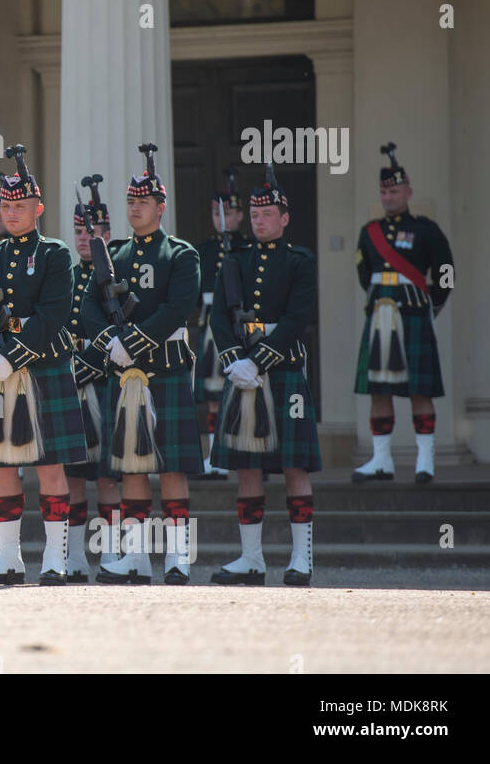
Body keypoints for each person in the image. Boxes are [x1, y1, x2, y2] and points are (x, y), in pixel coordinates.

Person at [0, 169, 90, 585]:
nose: (11, 214)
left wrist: (12, 355)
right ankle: (8, 558)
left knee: (50, 465)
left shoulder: (55, 253)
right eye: (6, 207)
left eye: (20, 207)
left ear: (38, 208)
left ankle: (56, 557)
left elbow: (54, 313)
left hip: (43, 365)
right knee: (1, 466)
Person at [82, 146, 202, 585]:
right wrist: (109, 339)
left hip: (165, 371)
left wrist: (134, 339)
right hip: (123, 371)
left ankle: (178, 557)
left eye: (143, 202)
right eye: (130, 202)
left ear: (160, 206)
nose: (135, 208)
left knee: (170, 470)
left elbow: (178, 307)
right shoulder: (114, 253)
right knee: (132, 468)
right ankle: (135, 557)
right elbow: (90, 306)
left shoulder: (181, 255)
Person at [208, 174, 321, 586]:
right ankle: (252, 559)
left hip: (282, 370)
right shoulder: (235, 260)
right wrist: (234, 360)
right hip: (243, 373)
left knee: (295, 465)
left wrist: (258, 361)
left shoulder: (300, 262)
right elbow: (219, 317)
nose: (258, 221)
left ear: (284, 217)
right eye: (254, 214)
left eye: (267, 214)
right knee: (247, 467)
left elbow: (297, 318)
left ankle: (301, 558)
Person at [351, 144, 454, 484]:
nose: (388, 197)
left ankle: (426, 460)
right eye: (384, 191)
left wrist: (430, 308)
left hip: (413, 315)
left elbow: (445, 274)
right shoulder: (369, 233)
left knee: (419, 390)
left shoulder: (427, 230)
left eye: (394, 191)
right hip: (381, 317)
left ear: (408, 192)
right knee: (379, 390)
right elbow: (365, 274)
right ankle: (382, 461)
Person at [65, 193, 123, 583]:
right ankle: (72, 556)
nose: (84, 238)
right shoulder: (65, 273)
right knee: (71, 474)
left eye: (92, 230)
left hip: (106, 381)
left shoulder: (116, 273)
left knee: (107, 474)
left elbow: (123, 330)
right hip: (69, 380)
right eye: (78, 231)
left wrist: (93, 364)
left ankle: (111, 554)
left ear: (107, 231)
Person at [193, 171, 246, 480]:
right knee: (213, 398)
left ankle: (244, 454)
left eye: (228, 212)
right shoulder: (205, 249)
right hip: (212, 328)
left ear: (240, 214)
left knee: (242, 395)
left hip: (240, 328)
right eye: (217, 212)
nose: (222, 218)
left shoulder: (248, 248)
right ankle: (214, 457)